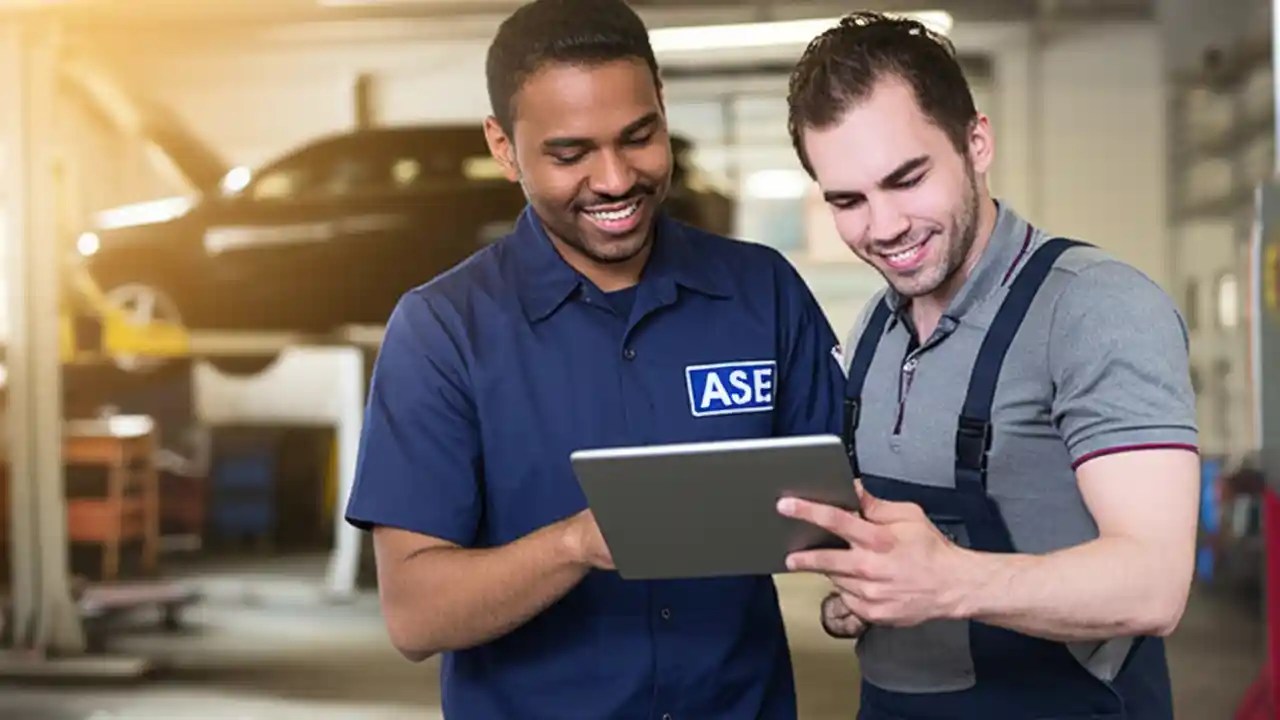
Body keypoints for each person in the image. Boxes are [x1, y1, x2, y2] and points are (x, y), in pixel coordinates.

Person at [343, 0, 846, 717]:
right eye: (570, 154)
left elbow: (855, 500)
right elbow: (417, 616)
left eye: (638, 137)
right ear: (503, 146)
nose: (615, 180)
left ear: (663, 110)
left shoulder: (761, 293)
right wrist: (577, 544)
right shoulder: (442, 332)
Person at [775, 12, 1200, 720]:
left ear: (976, 142)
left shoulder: (1096, 309)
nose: (883, 228)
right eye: (847, 200)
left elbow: (1154, 585)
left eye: (906, 179)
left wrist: (948, 583)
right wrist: (873, 593)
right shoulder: (878, 326)